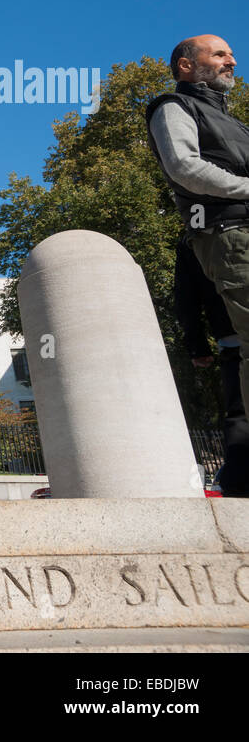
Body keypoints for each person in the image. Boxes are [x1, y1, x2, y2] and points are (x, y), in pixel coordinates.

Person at [147, 34, 247, 495]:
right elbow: (184, 167)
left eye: (230, 54)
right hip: (232, 234)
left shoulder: (231, 120)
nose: (232, 60)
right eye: (220, 54)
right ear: (187, 66)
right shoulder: (174, 107)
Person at [173, 230, 247, 494]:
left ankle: (239, 488)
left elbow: (186, 296)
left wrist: (197, 345)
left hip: (232, 334)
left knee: (240, 414)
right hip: (232, 335)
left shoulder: (194, 234)